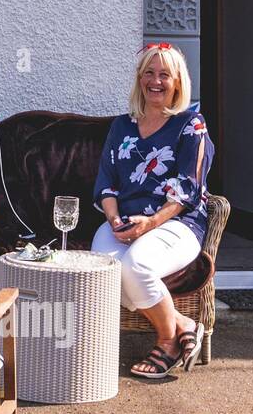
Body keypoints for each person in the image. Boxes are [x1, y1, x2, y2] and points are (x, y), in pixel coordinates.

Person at [91, 43, 214, 379]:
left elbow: (187, 189)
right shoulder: (121, 126)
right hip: (127, 220)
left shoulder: (191, 125)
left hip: (177, 223)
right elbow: (106, 184)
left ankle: (166, 341)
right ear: (139, 78)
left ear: (177, 82)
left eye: (164, 74)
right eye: (149, 72)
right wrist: (114, 219)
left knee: (136, 265)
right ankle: (183, 322)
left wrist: (150, 223)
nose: (155, 81)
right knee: (101, 272)